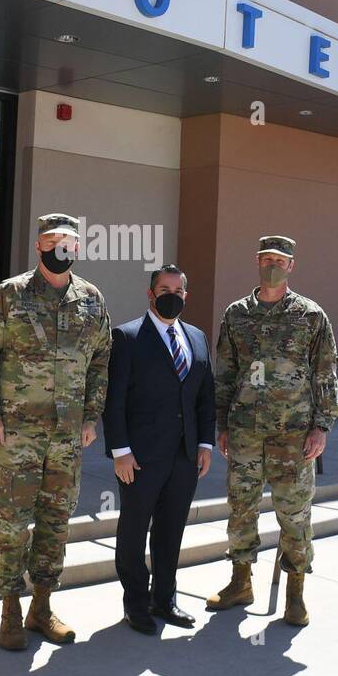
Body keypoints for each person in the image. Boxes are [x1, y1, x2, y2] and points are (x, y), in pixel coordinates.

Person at [0, 212, 112, 650]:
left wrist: (90, 416)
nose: (59, 248)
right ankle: (9, 612)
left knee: (56, 522)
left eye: (67, 241)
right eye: (51, 240)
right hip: (15, 436)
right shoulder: (10, 294)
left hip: (67, 438)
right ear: (39, 246)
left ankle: (42, 607)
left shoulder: (90, 298)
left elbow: (101, 361)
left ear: (78, 248)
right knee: (13, 524)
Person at [206, 235, 338, 626]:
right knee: (241, 510)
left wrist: (322, 427)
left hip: (293, 434)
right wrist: (223, 425)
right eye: (266, 259)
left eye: (280, 261)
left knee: (295, 513)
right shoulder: (236, 314)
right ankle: (240, 582)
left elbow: (324, 373)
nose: (272, 265)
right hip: (246, 431)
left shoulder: (310, 316)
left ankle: (295, 592)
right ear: (256, 261)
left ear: (291, 266)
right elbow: (226, 372)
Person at [104, 263, 215, 634]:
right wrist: (120, 451)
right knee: (134, 531)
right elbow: (114, 400)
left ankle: (164, 598)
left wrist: (204, 444)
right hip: (140, 457)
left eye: (179, 290)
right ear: (151, 294)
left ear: (186, 294)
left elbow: (205, 397)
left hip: (185, 457)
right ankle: (135, 604)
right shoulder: (127, 337)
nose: (172, 296)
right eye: (164, 290)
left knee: (171, 530)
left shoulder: (197, 338)